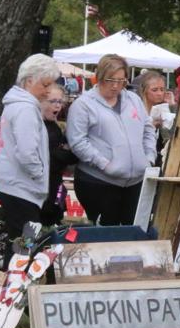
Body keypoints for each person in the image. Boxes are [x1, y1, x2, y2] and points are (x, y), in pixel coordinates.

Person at [66, 54, 155, 226]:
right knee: (106, 232)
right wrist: (104, 164)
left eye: (121, 81)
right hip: (99, 181)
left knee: (134, 230)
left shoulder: (134, 99)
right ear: (99, 77)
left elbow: (148, 128)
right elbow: (77, 142)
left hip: (136, 181)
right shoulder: (83, 105)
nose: (115, 86)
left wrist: (149, 158)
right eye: (110, 80)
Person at [0, 54, 61, 239]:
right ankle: (21, 260)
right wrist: (39, 175)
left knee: (20, 239)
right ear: (30, 81)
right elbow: (27, 152)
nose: (48, 91)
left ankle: (14, 259)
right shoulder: (26, 109)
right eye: (45, 85)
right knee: (27, 241)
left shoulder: (17, 105)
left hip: (13, 183)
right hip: (21, 186)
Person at [40, 84, 75, 227]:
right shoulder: (38, 126)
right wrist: (69, 155)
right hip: (40, 192)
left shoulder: (53, 126)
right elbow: (51, 158)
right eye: (53, 101)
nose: (57, 105)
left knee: (51, 228)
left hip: (54, 188)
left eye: (60, 101)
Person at [135, 70, 174, 159]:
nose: (159, 93)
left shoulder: (164, 110)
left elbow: (171, 138)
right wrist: (150, 127)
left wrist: (171, 106)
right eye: (154, 90)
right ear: (145, 91)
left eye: (162, 89)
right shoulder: (137, 111)